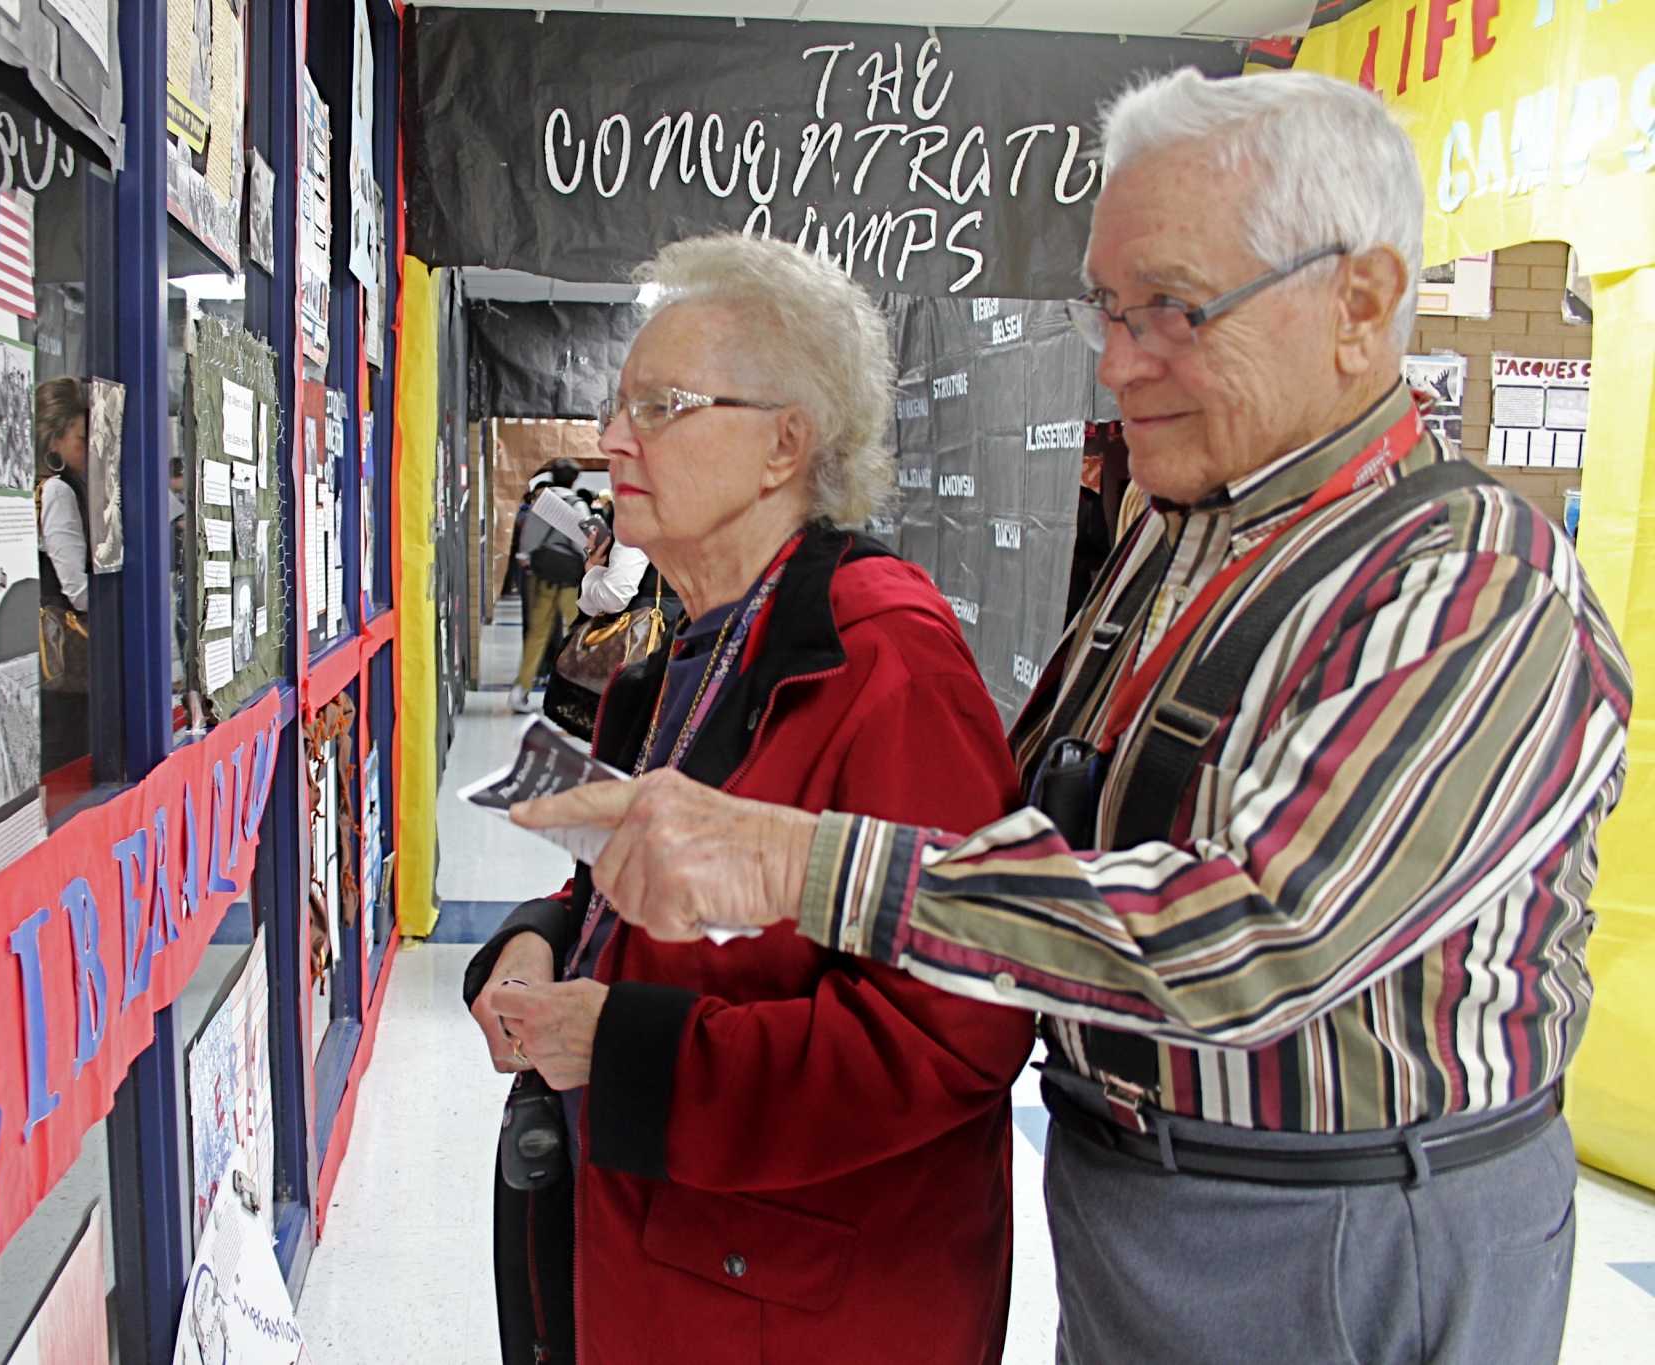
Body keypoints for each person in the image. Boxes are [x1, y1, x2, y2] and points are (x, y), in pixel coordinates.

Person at [512, 70, 1632, 1365]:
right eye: (1107, 308)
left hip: (1340, 1231)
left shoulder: (1468, 583)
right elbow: (1044, 836)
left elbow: (1250, 944)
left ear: (1362, 304)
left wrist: (796, 862)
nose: (1116, 361)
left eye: (1171, 309)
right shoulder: (1183, 535)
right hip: (1137, 1207)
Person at [465, 234, 1032, 1365]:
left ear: (785, 443)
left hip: (806, 1315)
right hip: (678, 1275)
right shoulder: (704, 649)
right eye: (618, 405)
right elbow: (643, 899)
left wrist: (625, 1047)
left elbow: (960, 1027)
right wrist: (542, 941)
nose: (612, 439)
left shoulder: (886, 664)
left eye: (660, 407)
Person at [35, 377, 93, 771]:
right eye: (80, 439)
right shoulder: (58, 491)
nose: (88, 449)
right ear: (54, 440)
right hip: (67, 662)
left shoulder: (37, 487)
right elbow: (79, 591)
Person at [508, 459, 587, 711]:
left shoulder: (542, 504)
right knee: (576, 634)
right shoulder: (578, 505)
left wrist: (528, 558)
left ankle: (520, 690)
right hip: (570, 579)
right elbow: (585, 542)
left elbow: (528, 542)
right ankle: (576, 692)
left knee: (537, 634)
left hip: (544, 577)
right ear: (574, 480)